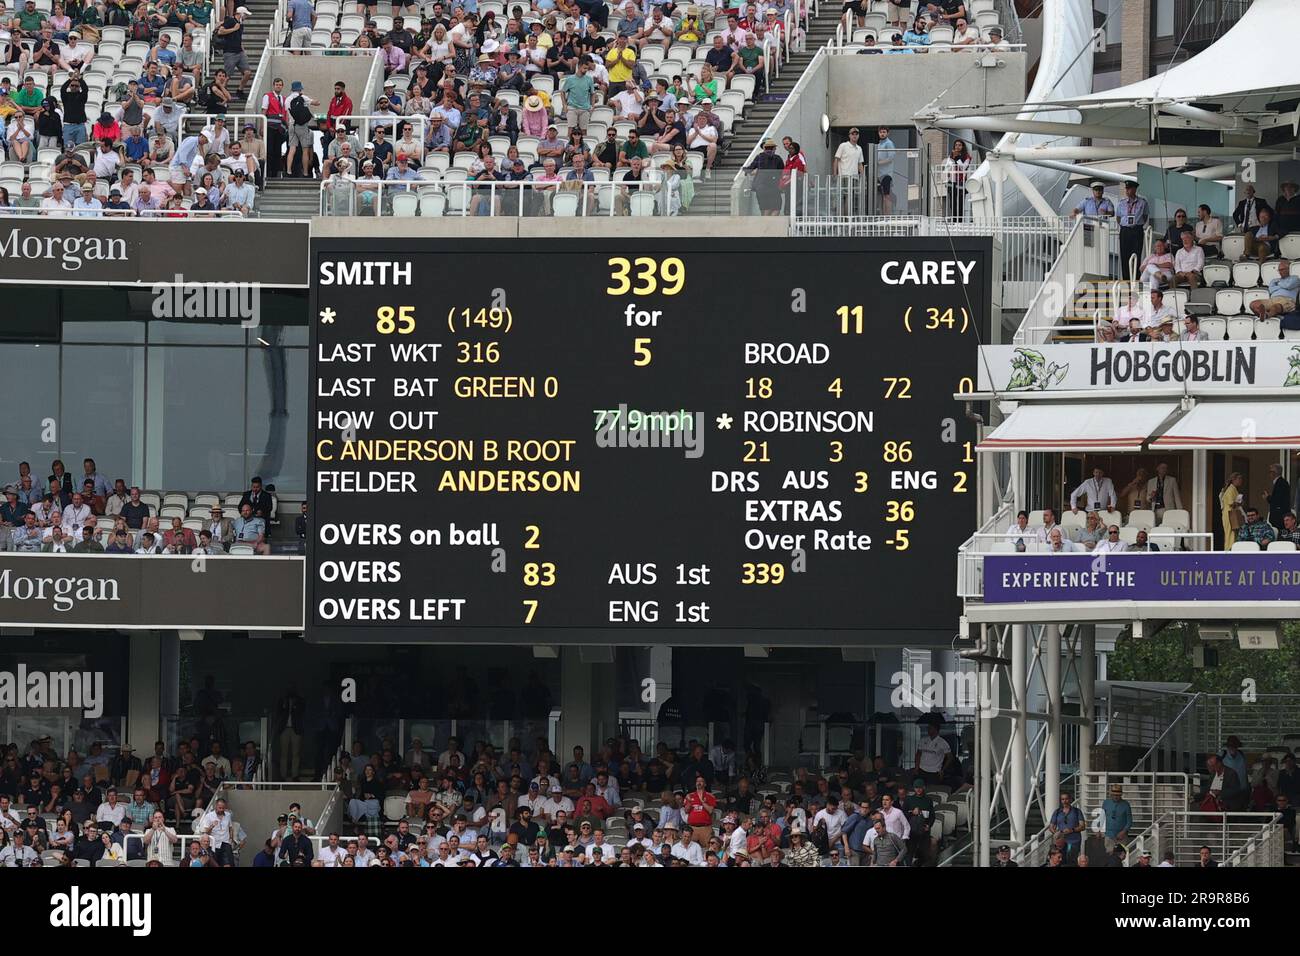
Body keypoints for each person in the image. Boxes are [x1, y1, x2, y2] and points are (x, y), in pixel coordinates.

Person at [1249, 257, 1300, 321]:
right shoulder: (1274, 280)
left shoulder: (1295, 278)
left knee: (1276, 306)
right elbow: (1271, 290)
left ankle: (1267, 315)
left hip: (1288, 300)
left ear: (1288, 269)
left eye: (1283, 269)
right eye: (1279, 270)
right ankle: (1262, 314)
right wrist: (1282, 285)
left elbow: (1288, 286)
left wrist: (1279, 284)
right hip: (1273, 299)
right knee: (1253, 304)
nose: (1280, 272)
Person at [1117, 179, 1149, 280]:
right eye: (1126, 189)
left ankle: (1135, 277)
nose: (1127, 191)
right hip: (1125, 230)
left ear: (1135, 189)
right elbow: (1118, 218)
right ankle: (1126, 279)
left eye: (1129, 188)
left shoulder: (1142, 202)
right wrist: (1125, 225)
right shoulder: (1121, 203)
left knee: (1136, 254)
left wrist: (1136, 224)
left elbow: (1145, 216)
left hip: (1136, 230)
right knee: (1124, 255)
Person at [944, 139, 970, 219]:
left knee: (960, 201)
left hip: (961, 181)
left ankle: (960, 220)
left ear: (963, 147)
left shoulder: (966, 156)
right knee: (952, 201)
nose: (957, 147)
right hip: (952, 181)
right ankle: (954, 219)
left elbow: (963, 167)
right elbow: (947, 167)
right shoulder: (951, 156)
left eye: (959, 145)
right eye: (956, 145)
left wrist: (957, 158)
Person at [1263, 462, 1291, 532]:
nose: (1269, 474)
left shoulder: (1281, 483)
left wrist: (1267, 497)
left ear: (1274, 473)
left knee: (1280, 536)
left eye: (1270, 471)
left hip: (1279, 517)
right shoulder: (1280, 482)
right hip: (1279, 516)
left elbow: (1278, 500)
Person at [1219, 471, 1245, 546]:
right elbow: (1231, 503)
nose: (1241, 481)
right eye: (1239, 479)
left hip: (1233, 514)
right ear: (1233, 480)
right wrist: (1239, 502)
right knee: (1229, 534)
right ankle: (1228, 549)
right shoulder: (1230, 489)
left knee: (1234, 533)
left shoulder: (1234, 489)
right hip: (1229, 514)